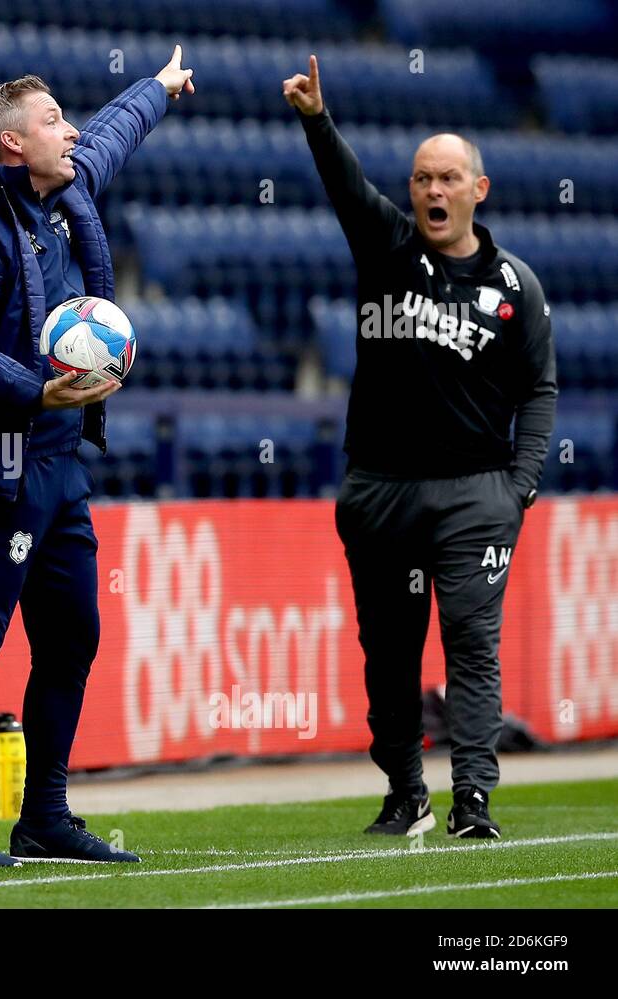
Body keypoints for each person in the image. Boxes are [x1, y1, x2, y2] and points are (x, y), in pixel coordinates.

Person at [0, 49, 195, 867]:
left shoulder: (64, 193)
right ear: (10, 146)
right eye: (53, 121)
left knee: (72, 638)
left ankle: (44, 815)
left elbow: (112, 134)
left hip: (63, 465)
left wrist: (158, 88)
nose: (71, 132)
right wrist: (40, 390)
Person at [283, 55, 557, 839]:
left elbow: (539, 389)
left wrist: (521, 485)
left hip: (475, 494)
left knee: (472, 645)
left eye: (446, 179)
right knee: (390, 652)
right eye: (420, 179)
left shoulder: (515, 287)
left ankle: (473, 795)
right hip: (382, 489)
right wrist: (315, 119)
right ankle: (407, 791)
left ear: (479, 189)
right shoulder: (388, 249)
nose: (431, 192)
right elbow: (345, 187)